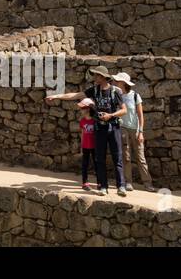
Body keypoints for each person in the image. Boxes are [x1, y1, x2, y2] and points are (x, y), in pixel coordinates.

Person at [47, 65, 126, 195]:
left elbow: (124, 110)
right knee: (99, 158)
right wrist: (56, 96)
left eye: (96, 75)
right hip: (99, 128)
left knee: (117, 157)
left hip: (114, 127)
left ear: (102, 77)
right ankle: (103, 187)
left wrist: (110, 116)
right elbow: (75, 95)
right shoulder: (94, 90)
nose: (94, 77)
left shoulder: (115, 92)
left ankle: (120, 186)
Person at [113, 72, 154, 191]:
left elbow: (140, 115)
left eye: (118, 81)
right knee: (126, 156)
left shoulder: (135, 96)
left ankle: (147, 183)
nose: (115, 82)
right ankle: (128, 182)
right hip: (122, 128)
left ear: (124, 83)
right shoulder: (117, 96)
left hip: (135, 129)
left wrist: (140, 131)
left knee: (141, 157)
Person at [77, 98, 97, 190]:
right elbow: (82, 134)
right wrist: (81, 147)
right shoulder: (82, 121)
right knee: (85, 164)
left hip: (95, 147)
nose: (80, 110)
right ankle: (85, 182)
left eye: (82, 108)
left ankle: (100, 182)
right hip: (85, 146)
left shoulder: (95, 121)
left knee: (97, 164)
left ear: (88, 109)